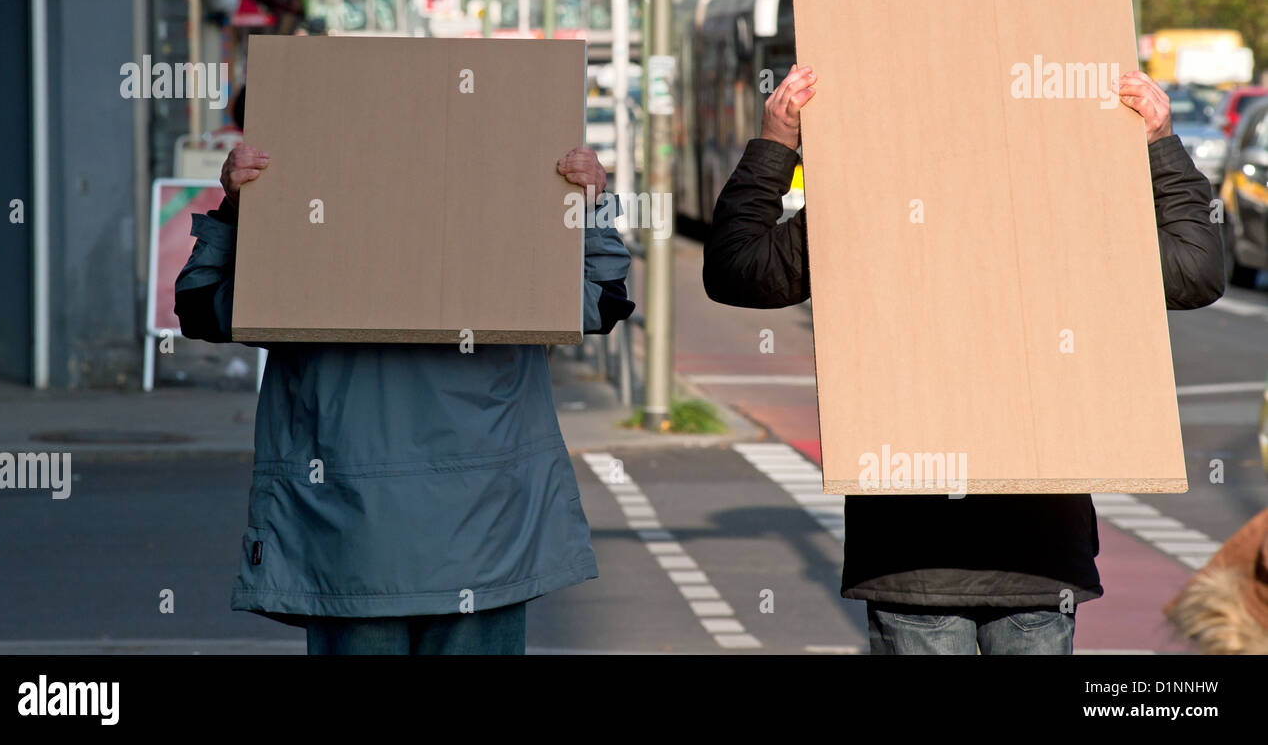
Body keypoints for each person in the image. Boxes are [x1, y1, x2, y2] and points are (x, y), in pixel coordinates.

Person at [703, 64, 1224, 654]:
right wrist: (1160, 145)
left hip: (912, 557)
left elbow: (734, 271)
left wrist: (777, 141)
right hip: (1040, 554)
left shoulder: (873, 210)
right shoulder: (1066, 217)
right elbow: (1197, 273)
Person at [175, 142, 633, 655]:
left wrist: (240, 211)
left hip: (347, 544)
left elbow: (200, 307)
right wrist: (592, 206)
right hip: (484, 541)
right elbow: (604, 300)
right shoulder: (507, 230)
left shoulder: (303, 242)